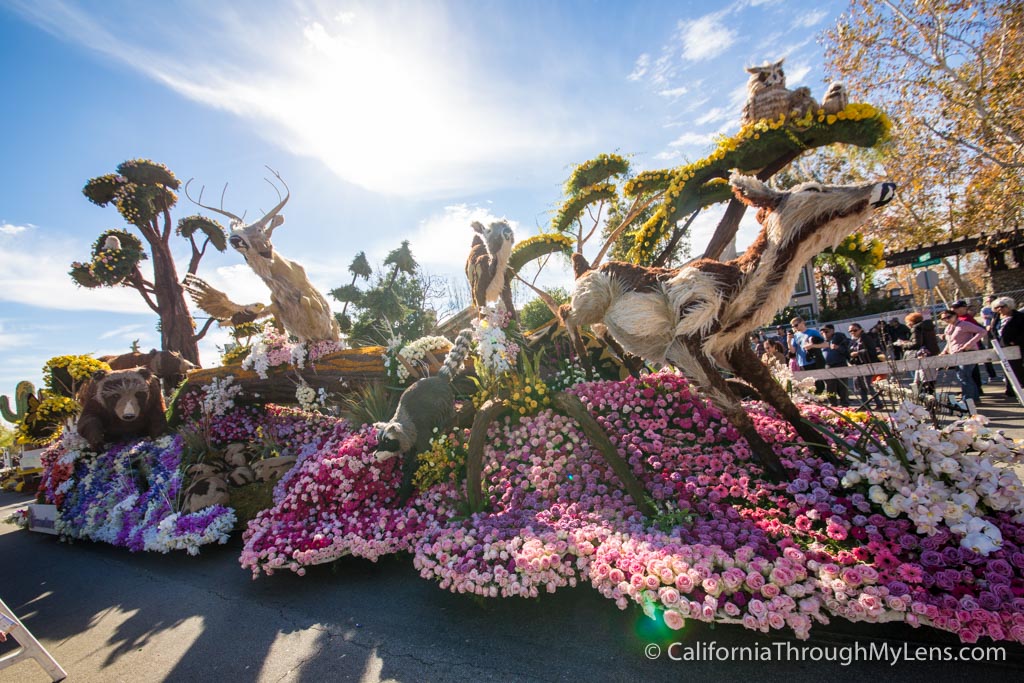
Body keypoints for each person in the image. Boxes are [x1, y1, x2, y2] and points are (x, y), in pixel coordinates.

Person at [937, 308, 987, 406]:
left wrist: (969, 344)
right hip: (955, 355)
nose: (946, 320)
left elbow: (982, 331)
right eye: (944, 319)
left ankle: (967, 399)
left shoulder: (964, 324)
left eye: (948, 317)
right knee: (965, 376)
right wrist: (944, 352)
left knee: (964, 376)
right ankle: (974, 398)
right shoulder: (949, 328)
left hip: (967, 353)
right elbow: (950, 342)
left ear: (955, 315)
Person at [952, 299, 996, 385]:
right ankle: (978, 386)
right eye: (953, 308)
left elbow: (981, 330)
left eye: (956, 307)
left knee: (974, 368)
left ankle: (980, 384)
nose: (954, 309)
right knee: (972, 368)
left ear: (964, 308)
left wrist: (971, 342)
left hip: (973, 346)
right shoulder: (961, 318)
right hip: (965, 347)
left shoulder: (966, 319)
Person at [895, 311, 940, 395]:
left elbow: (917, 344)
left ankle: (926, 398)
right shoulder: (928, 327)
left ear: (911, 322)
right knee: (930, 378)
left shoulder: (916, 328)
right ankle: (930, 396)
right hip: (932, 352)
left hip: (923, 355)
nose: (907, 325)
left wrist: (904, 345)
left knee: (922, 379)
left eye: (907, 323)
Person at [989, 296, 1024, 399]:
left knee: (1017, 367)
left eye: (1002, 307)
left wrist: (1015, 341)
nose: (1000, 309)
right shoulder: (996, 317)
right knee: (1006, 367)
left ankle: (1018, 387)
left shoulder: (1019, 317)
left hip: (1016, 346)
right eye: (997, 307)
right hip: (1001, 346)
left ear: (1009, 306)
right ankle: (1010, 390)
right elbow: (994, 330)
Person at [848, 323, 885, 410]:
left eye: (855, 330)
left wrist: (858, 353)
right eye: (850, 331)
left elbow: (872, 351)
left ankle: (879, 403)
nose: (852, 332)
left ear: (860, 329)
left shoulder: (866, 338)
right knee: (860, 386)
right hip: (858, 365)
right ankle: (865, 405)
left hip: (867, 365)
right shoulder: (854, 340)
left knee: (869, 386)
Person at [789, 317, 825, 393]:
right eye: (793, 326)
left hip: (813, 361)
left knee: (817, 382)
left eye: (796, 325)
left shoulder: (813, 332)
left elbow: (825, 344)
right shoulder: (795, 335)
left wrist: (812, 346)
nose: (794, 327)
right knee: (807, 384)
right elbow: (793, 350)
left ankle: (821, 397)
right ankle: (813, 398)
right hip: (801, 362)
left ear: (802, 323)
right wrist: (788, 341)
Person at [818, 324, 850, 406]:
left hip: (840, 364)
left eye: (826, 331)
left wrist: (838, 347)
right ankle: (833, 404)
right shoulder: (822, 342)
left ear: (832, 330)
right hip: (828, 366)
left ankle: (845, 403)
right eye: (822, 332)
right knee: (830, 387)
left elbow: (847, 351)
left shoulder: (839, 339)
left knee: (842, 386)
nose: (824, 333)